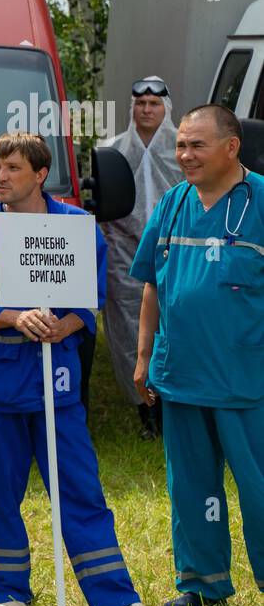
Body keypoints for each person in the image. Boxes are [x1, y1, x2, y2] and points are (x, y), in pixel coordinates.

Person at [0, 132, 175, 606]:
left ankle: (117, 601)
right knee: (2, 493)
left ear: (39, 174)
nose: (1, 178)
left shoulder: (77, 227)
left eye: (12, 168)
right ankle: (12, 592)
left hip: (56, 386)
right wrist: (15, 318)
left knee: (81, 490)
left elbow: (91, 300)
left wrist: (66, 324)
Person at [132, 104, 264, 606]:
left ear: (231, 147)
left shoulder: (259, 201)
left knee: (257, 490)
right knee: (191, 487)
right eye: (180, 145)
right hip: (180, 374)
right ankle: (202, 582)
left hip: (243, 378)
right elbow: (151, 286)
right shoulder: (171, 205)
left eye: (196, 145)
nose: (184, 155)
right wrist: (144, 357)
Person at [101, 77, 180, 438]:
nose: (147, 110)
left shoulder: (185, 148)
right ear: (132, 108)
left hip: (176, 249)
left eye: (154, 104)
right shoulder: (113, 149)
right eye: (140, 103)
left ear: (166, 108)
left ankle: (172, 403)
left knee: (175, 321)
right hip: (124, 249)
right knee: (128, 327)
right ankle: (143, 408)